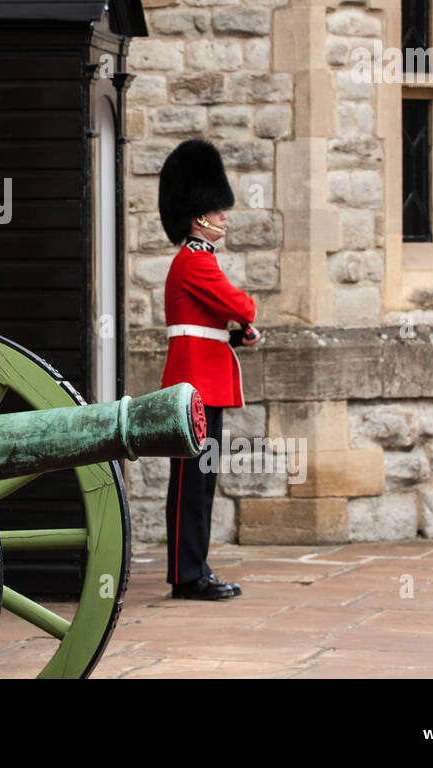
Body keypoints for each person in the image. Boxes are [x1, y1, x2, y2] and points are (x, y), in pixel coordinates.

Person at [158, 139, 261, 601]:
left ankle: (194, 567)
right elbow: (242, 304)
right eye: (218, 210)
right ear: (199, 214)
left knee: (201, 483)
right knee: (192, 485)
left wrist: (237, 335)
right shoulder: (195, 262)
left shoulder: (199, 261)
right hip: (195, 386)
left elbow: (209, 327)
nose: (224, 216)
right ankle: (187, 576)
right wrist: (245, 318)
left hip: (205, 380)